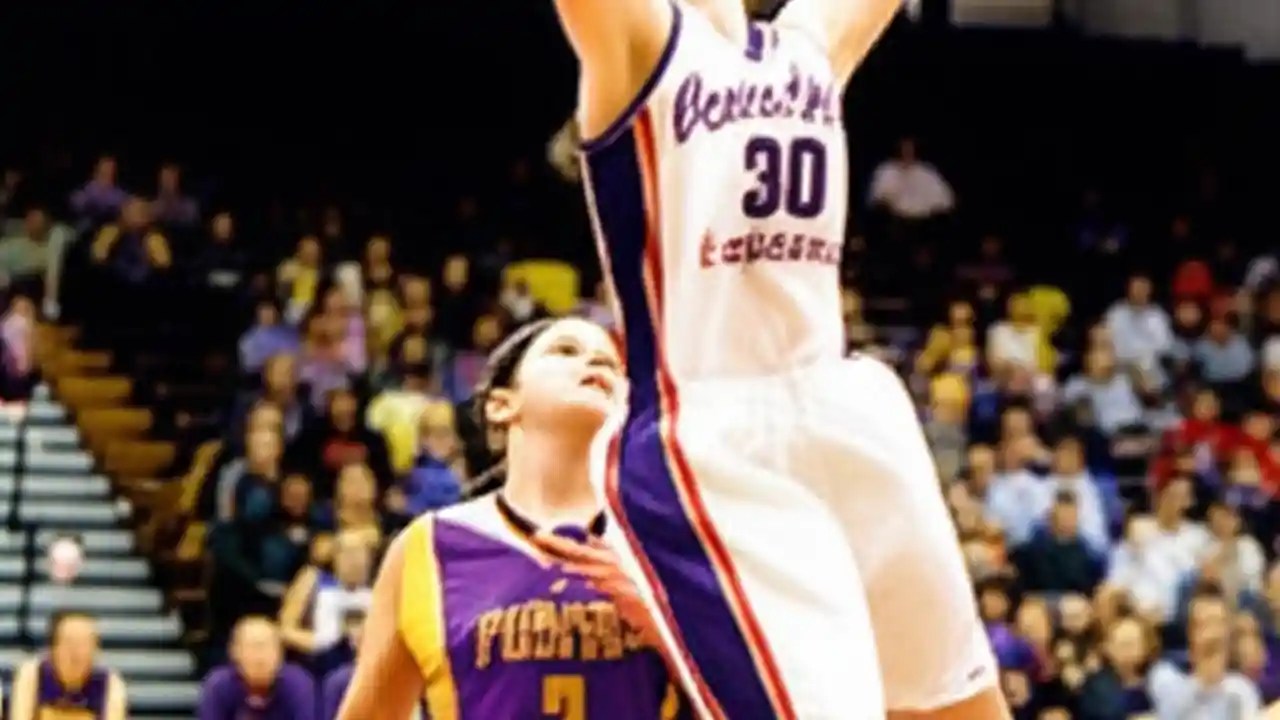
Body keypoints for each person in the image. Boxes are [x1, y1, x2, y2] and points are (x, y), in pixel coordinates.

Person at [552, 0, 1007, 717]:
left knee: (960, 705)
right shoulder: (644, 36)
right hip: (708, 428)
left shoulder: (807, 38)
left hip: (840, 400)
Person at [337, 318, 682, 719]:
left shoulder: (669, 543)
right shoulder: (429, 546)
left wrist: (666, 626)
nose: (595, 363)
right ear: (502, 405)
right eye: (566, 350)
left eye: (612, 364)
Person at [7, 611, 128, 720]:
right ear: (53, 648)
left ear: (96, 649)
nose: (76, 652)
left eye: (85, 643)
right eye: (69, 642)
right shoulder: (32, 674)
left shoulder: (111, 683)